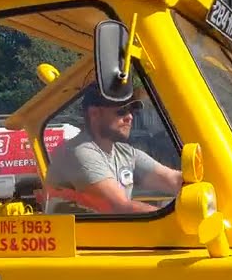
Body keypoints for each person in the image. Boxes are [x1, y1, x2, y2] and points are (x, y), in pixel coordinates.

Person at [42, 84, 184, 214]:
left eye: (131, 110)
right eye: (122, 111)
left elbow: (172, 180)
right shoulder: (78, 152)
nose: (129, 117)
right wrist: (176, 219)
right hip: (81, 241)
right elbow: (119, 208)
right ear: (94, 114)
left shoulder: (125, 153)